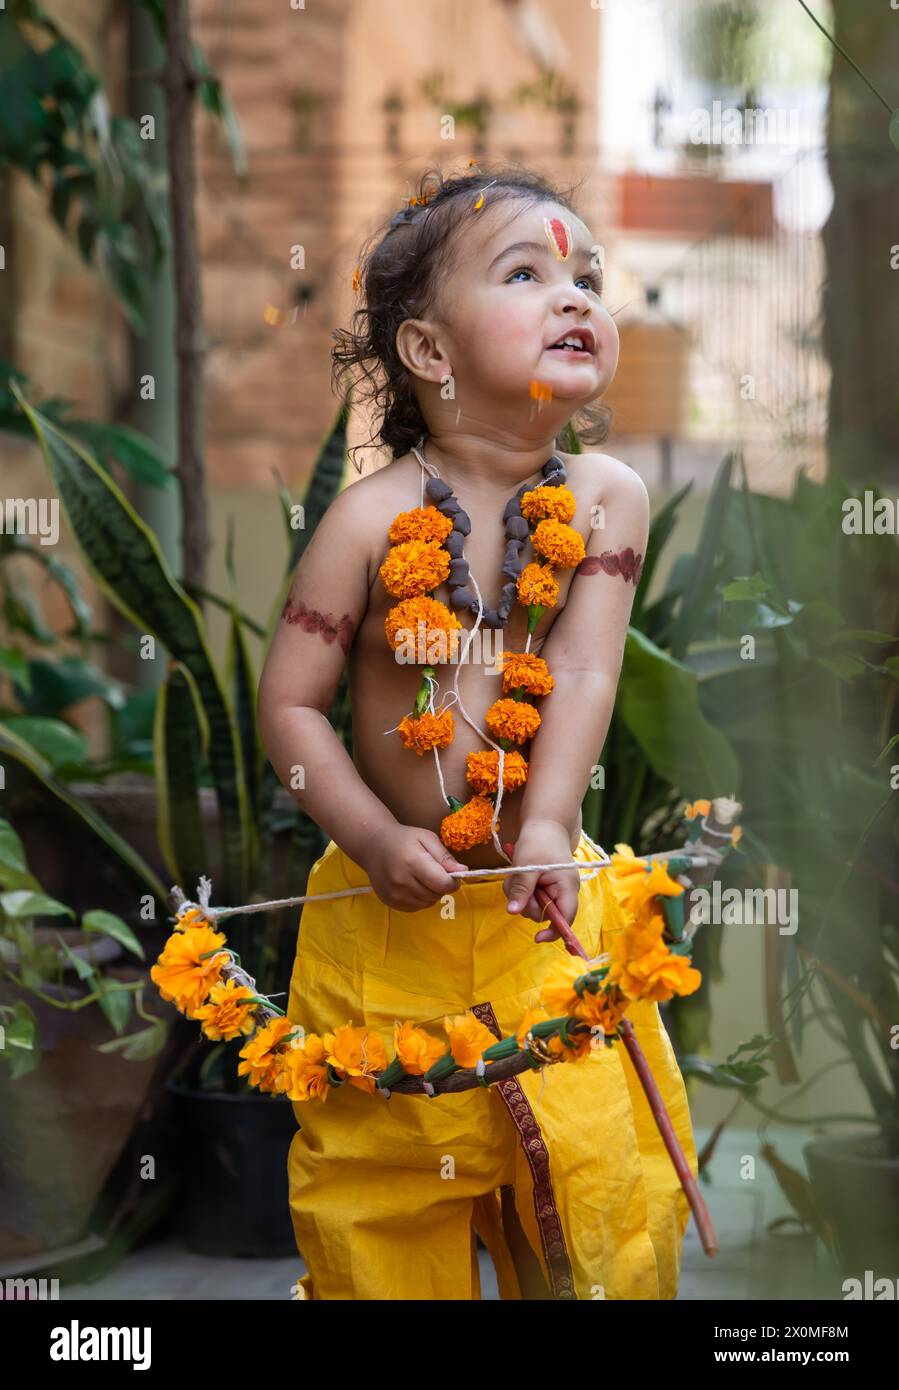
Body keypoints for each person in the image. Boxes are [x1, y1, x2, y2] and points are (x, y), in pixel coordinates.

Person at [257, 165, 698, 1300]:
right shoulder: (365, 519)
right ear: (429, 352)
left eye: (587, 276)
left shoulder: (603, 499)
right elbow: (289, 706)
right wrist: (366, 835)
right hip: (388, 927)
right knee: (381, 1206)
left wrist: (548, 817)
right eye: (527, 271)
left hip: (540, 906)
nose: (575, 296)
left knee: (592, 1195)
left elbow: (586, 661)